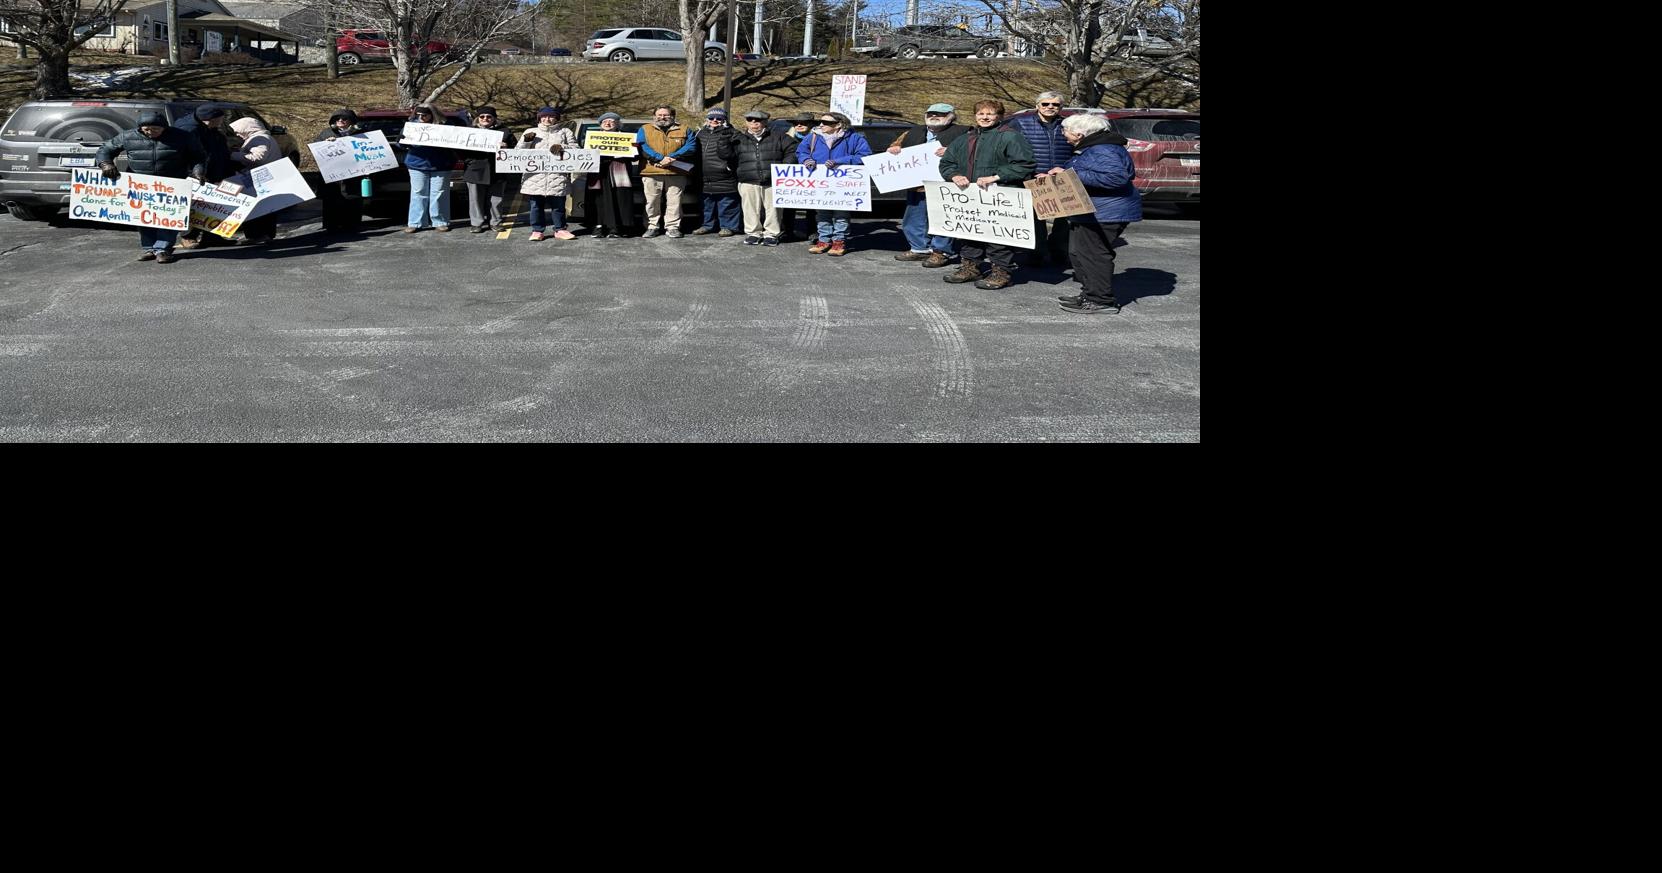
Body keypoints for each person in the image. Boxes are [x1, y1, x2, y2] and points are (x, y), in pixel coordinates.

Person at [1045, 113, 1141, 314]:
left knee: (1094, 254)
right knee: (1078, 252)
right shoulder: (1096, 147)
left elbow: (1116, 178)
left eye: (1065, 130)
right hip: (1093, 210)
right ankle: (1090, 294)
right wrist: (1060, 173)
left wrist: (1072, 175)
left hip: (1106, 212)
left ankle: (1100, 300)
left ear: (1079, 133)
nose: (1063, 134)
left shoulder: (1103, 149)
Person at [937, 100, 1035, 290]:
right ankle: (970, 267)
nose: (985, 117)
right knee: (970, 232)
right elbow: (946, 163)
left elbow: (1025, 165)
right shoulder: (965, 139)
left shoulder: (1010, 137)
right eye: (981, 114)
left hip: (1000, 195)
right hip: (971, 195)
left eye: (990, 114)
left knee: (998, 238)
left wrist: (996, 177)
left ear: (999, 116)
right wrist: (954, 175)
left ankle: (1001, 272)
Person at [95, 111, 207, 264]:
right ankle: (149, 248)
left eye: (155, 129)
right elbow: (105, 150)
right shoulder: (127, 136)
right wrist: (105, 164)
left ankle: (163, 249)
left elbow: (198, 156)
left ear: (164, 127)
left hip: (171, 184)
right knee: (144, 218)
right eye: (146, 129)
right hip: (141, 184)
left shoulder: (183, 136)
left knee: (168, 218)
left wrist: (198, 171)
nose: (150, 132)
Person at [887, 102, 969, 268]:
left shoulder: (965, 132)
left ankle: (941, 251)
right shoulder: (914, 131)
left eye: (940, 114)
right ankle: (919, 249)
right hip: (916, 184)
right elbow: (895, 146)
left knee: (943, 217)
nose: (934, 116)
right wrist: (894, 149)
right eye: (931, 113)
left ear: (951, 117)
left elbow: (973, 151)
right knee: (913, 217)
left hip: (946, 184)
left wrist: (952, 150)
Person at [797, 111, 871, 257]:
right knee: (822, 213)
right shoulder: (812, 137)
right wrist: (806, 160)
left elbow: (865, 155)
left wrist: (841, 161)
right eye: (821, 122)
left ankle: (839, 241)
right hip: (820, 182)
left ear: (838, 125)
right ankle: (824, 240)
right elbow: (801, 151)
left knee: (841, 214)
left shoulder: (854, 138)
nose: (821, 125)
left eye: (826, 123)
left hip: (842, 184)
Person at [1010, 91, 1071, 267]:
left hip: (1061, 177)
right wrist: (1026, 171)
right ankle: (1036, 252)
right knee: (1035, 218)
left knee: (1064, 218)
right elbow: (1012, 148)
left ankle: (1059, 251)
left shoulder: (1068, 124)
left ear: (1061, 107)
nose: (1050, 107)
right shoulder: (1021, 123)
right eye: (1045, 104)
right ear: (1037, 106)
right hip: (1033, 176)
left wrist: (1065, 169)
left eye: (1055, 104)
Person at [174, 103, 233, 249]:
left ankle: (212, 237)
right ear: (208, 119)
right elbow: (186, 154)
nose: (222, 121)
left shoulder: (209, 129)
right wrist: (194, 172)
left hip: (214, 171)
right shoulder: (189, 130)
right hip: (197, 174)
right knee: (195, 206)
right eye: (220, 118)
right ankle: (188, 237)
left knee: (214, 205)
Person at [518, 106, 579, 242]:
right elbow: (518, 153)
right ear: (539, 118)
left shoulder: (565, 132)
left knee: (558, 206)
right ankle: (537, 231)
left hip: (558, 176)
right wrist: (526, 142)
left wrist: (563, 147)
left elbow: (576, 150)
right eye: (544, 116)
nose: (547, 119)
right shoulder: (530, 131)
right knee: (535, 206)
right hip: (534, 177)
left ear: (556, 118)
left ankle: (560, 229)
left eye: (551, 116)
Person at [733, 109, 792, 247]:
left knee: (773, 209)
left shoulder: (779, 136)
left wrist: (785, 166)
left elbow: (792, 150)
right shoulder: (739, 138)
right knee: (750, 208)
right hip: (748, 179)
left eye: (758, 120)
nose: (754, 123)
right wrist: (723, 141)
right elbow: (727, 155)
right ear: (746, 122)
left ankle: (772, 234)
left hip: (772, 179)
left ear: (765, 122)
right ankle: (753, 233)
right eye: (750, 120)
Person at [635, 105, 695, 238]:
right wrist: (660, 158)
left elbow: (691, 146)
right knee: (651, 201)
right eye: (659, 115)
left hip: (676, 171)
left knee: (675, 201)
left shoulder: (684, 129)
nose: (662, 117)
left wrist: (673, 157)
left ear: (673, 116)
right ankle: (652, 226)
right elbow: (642, 146)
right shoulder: (645, 129)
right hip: (652, 171)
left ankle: (672, 227)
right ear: (654, 116)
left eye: (666, 115)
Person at [227, 116, 284, 244]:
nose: (237, 134)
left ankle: (258, 236)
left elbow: (258, 157)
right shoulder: (262, 138)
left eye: (238, 131)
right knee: (267, 208)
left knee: (256, 208)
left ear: (247, 129)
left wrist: (233, 155)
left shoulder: (258, 139)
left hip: (259, 179)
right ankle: (265, 235)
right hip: (266, 178)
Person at [463, 105, 517, 233]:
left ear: (494, 118)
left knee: (496, 199)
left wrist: (506, 147)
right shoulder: (469, 131)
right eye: (482, 116)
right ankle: (477, 223)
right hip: (475, 170)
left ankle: (496, 222)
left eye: (489, 116)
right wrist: (469, 161)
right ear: (478, 118)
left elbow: (516, 150)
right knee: (475, 199)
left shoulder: (505, 131)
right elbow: (459, 151)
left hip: (497, 170)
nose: (485, 119)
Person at [402, 105, 455, 233]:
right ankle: (415, 222)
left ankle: (440, 221)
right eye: (419, 115)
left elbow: (456, 142)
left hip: (440, 165)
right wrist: (403, 141)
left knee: (439, 193)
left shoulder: (445, 126)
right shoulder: (411, 126)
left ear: (433, 114)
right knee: (418, 192)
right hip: (417, 164)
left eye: (425, 114)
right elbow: (400, 143)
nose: (422, 117)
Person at [314, 108, 367, 233]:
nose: (340, 121)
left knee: (352, 197)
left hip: (354, 172)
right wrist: (325, 143)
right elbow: (315, 147)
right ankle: (331, 225)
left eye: (344, 118)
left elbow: (369, 148)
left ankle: (352, 224)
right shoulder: (326, 133)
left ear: (351, 120)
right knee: (331, 199)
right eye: (337, 119)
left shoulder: (361, 133)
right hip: (333, 174)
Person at [587, 111, 637, 238]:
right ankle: (598, 226)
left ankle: (616, 228)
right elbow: (586, 155)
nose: (608, 123)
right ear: (601, 125)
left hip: (619, 171)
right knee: (599, 200)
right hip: (598, 172)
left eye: (611, 121)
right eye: (605, 122)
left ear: (617, 124)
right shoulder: (593, 138)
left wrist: (633, 149)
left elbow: (635, 156)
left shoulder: (626, 138)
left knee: (619, 198)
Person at [693, 108, 741, 236]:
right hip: (703, 176)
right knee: (706, 204)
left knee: (727, 204)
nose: (715, 120)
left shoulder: (732, 133)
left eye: (719, 119)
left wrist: (730, 167)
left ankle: (728, 226)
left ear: (724, 120)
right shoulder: (699, 133)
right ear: (707, 120)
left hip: (725, 176)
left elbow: (736, 153)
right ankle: (707, 225)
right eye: (711, 118)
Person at [779, 112, 817, 242]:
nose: (799, 125)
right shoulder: (786, 138)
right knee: (789, 206)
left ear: (811, 124)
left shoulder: (819, 138)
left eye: (803, 123)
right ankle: (787, 231)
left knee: (813, 207)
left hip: (814, 176)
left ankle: (813, 232)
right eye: (796, 123)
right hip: (792, 178)